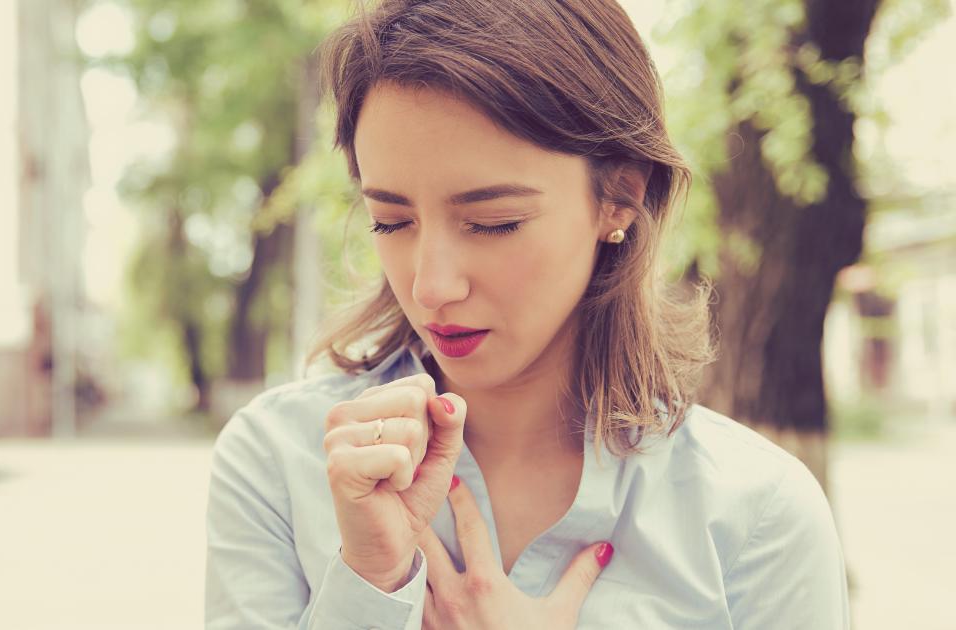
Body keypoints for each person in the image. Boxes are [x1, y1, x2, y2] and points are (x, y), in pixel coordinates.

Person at [204, 0, 850, 628]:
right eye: (390, 220)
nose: (432, 286)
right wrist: (368, 585)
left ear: (620, 197)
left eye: (494, 223)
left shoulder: (755, 512)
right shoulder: (280, 459)